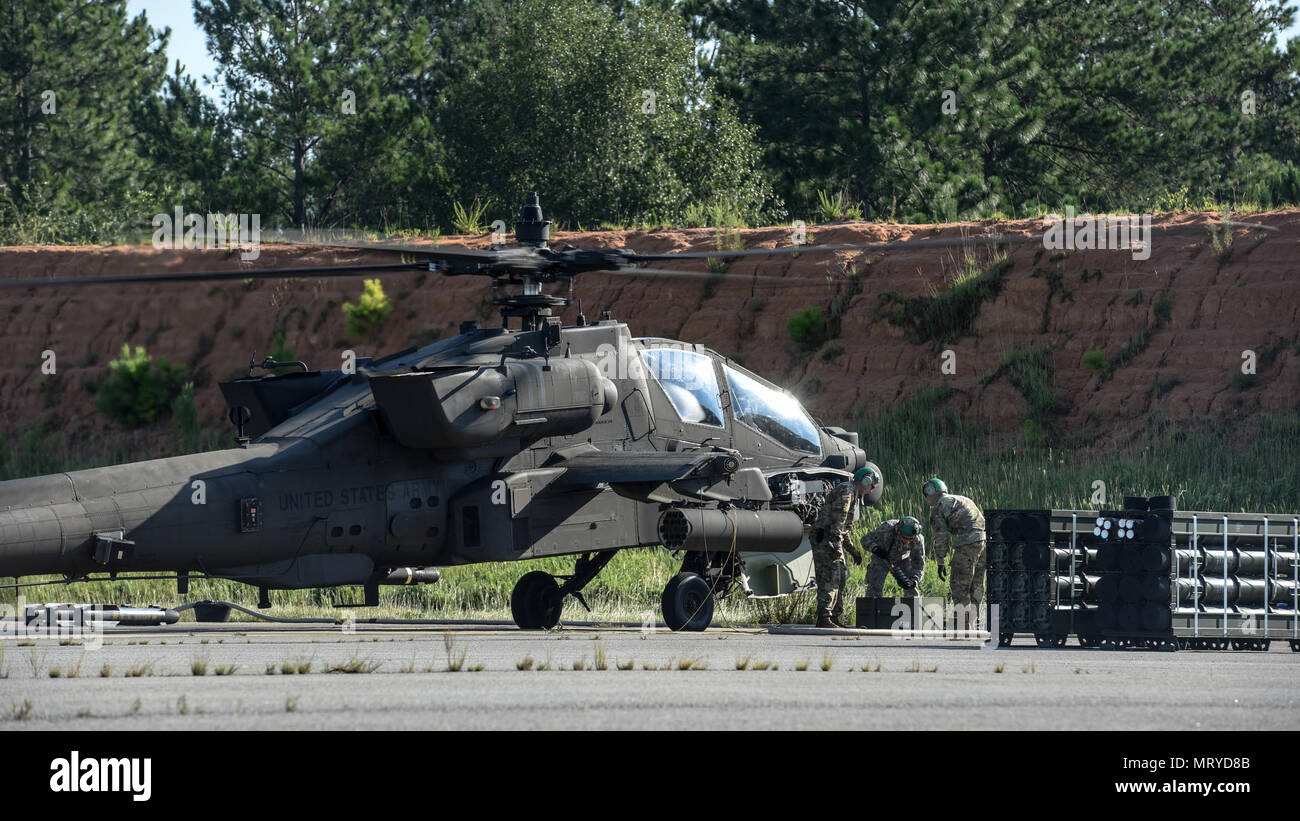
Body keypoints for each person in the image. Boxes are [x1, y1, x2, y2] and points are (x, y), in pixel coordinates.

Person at [810, 467, 876, 628]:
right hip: (826, 540)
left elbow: (844, 529)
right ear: (866, 481)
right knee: (831, 577)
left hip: (832, 539)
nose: (871, 490)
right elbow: (837, 525)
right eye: (872, 486)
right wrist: (837, 549)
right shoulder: (847, 492)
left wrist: (853, 551)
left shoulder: (852, 493)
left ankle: (834, 616)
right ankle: (824, 617)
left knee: (841, 576)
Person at [923, 478, 986, 617]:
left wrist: (940, 561)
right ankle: (974, 623)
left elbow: (941, 538)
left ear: (930, 493)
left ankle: (963, 626)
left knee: (959, 586)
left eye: (926, 496)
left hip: (967, 545)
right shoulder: (963, 499)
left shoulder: (938, 507)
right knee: (977, 586)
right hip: (984, 542)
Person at [861, 516, 926, 597]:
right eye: (904, 538)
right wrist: (876, 549)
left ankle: (913, 608)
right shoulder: (885, 530)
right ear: (898, 531)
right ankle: (872, 608)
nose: (907, 541)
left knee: (911, 586)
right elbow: (865, 540)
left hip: (902, 559)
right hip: (881, 559)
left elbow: (919, 565)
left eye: (910, 539)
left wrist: (914, 581)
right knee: (875, 585)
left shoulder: (918, 540)